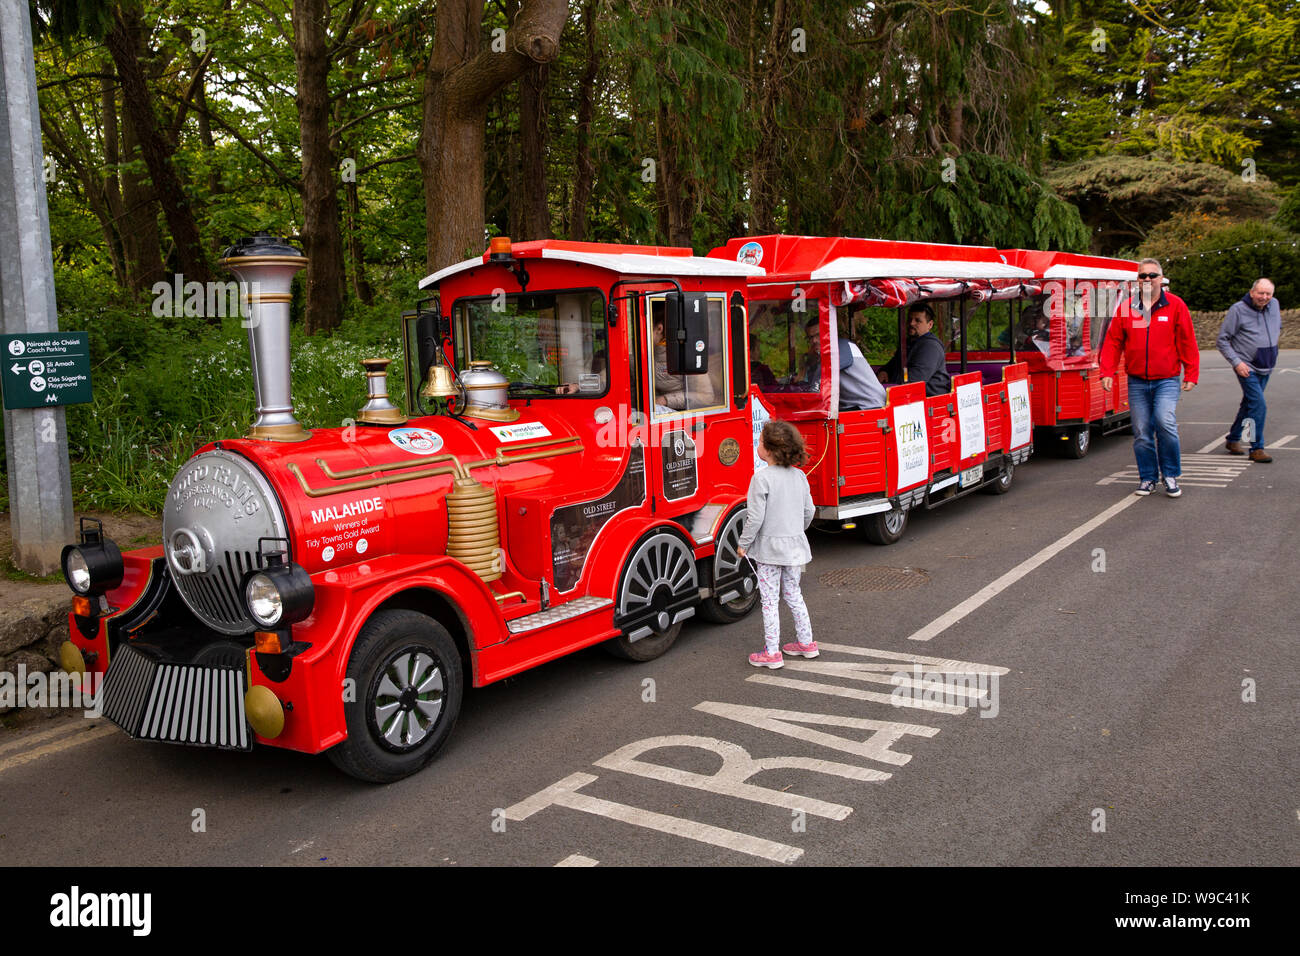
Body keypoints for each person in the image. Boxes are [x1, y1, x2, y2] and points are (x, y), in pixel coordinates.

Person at [1099, 258, 1199, 497]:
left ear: (1161, 279)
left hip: (1167, 379)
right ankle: (1147, 478)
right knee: (1142, 431)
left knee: (1165, 423)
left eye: (1152, 275)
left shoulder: (1175, 306)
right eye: (1143, 276)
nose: (1147, 279)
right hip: (1137, 381)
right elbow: (1113, 342)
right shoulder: (1127, 308)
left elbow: (1187, 341)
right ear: (1137, 280)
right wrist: (1107, 371)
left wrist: (1191, 373)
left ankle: (1171, 474)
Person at [736, 420, 817, 669]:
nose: (757, 445)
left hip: (769, 551)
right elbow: (809, 510)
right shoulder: (799, 475)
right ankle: (806, 643)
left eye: (759, 442)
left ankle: (772, 652)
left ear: (768, 450)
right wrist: (795, 531)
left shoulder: (761, 478)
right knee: (794, 594)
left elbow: (755, 518)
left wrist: (743, 544)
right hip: (795, 548)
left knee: (770, 600)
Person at [1217, 278, 1280, 463]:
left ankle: (1233, 439)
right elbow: (1222, 340)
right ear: (1252, 292)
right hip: (1247, 367)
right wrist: (1237, 362)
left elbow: (1275, 328)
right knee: (1259, 405)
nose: (1264, 297)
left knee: (1250, 404)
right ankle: (1256, 447)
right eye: (1261, 293)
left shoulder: (1274, 305)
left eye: (1268, 294)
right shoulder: (1238, 309)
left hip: (1266, 365)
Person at [878, 303, 952, 396]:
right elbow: (894, 363)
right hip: (910, 397)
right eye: (910, 319)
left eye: (917, 321)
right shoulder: (909, 343)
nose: (911, 323)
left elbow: (914, 380)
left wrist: (890, 383)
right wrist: (884, 371)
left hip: (929, 399)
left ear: (930, 324)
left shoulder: (930, 347)